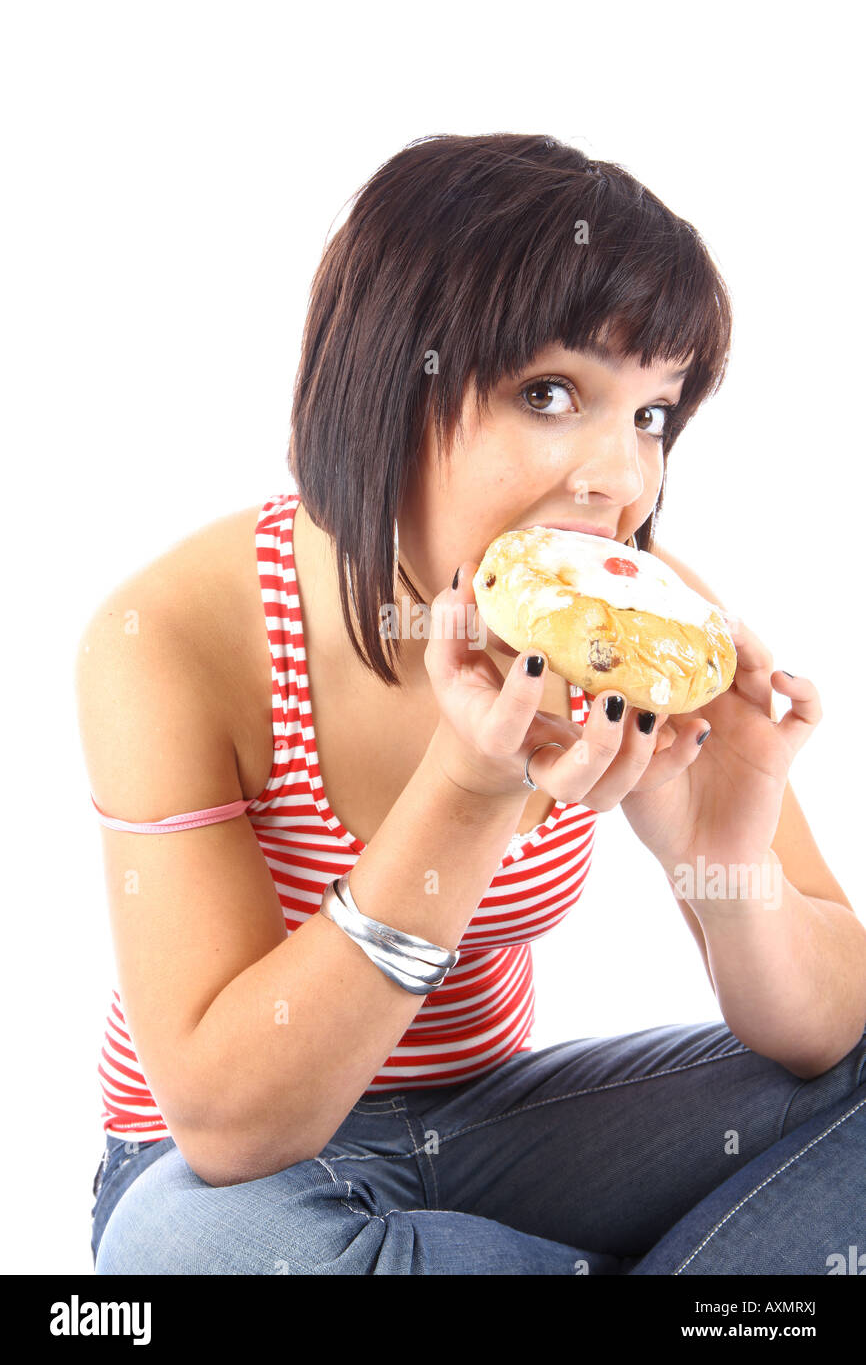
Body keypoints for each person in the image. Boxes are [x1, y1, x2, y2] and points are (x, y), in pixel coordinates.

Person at [77, 132, 866, 1275]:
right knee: (189, 1251)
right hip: (225, 1174)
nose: (619, 479)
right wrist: (469, 789)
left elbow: (823, 1034)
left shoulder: (629, 628)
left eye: (650, 412)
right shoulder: (169, 639)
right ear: (385, 385)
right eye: (551, 393)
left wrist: (728, 858)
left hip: (495, 1129)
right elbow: (228, 1121)